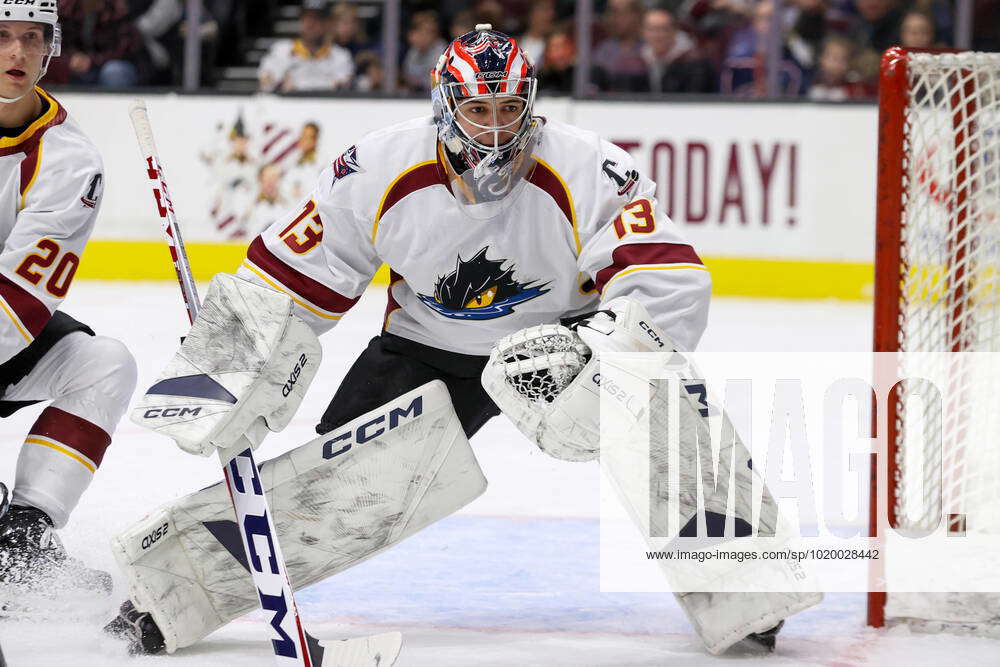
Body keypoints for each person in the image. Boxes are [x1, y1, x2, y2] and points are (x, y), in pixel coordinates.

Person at [106, 25, 818, 657]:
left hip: (565, 347)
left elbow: (665, 282)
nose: (497, 127)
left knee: (660, 407)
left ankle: (745, 587)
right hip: (428, 346)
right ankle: (173, 591)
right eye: (479, 109)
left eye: (511, 108)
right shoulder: (379, 168)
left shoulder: (588, 165)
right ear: (446, 106)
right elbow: (291, 279)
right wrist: (231, 366)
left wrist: (606, 356)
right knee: (333, 486)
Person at [0, 2, 137, 601]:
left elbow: (19, 304)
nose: (17, 54)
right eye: (2, 37)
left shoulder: (68, 161)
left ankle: (20, 539)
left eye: (32, 39)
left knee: (105, 362)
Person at [257, 0, 353, 93]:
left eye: (316, 19)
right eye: (306, 18)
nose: (310, 24)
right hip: (288, 107)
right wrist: (277, 84)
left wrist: (295, 86)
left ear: (327, 23)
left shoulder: (340, 56)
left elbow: (342, 88)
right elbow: (266, 83)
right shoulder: (281, 50)